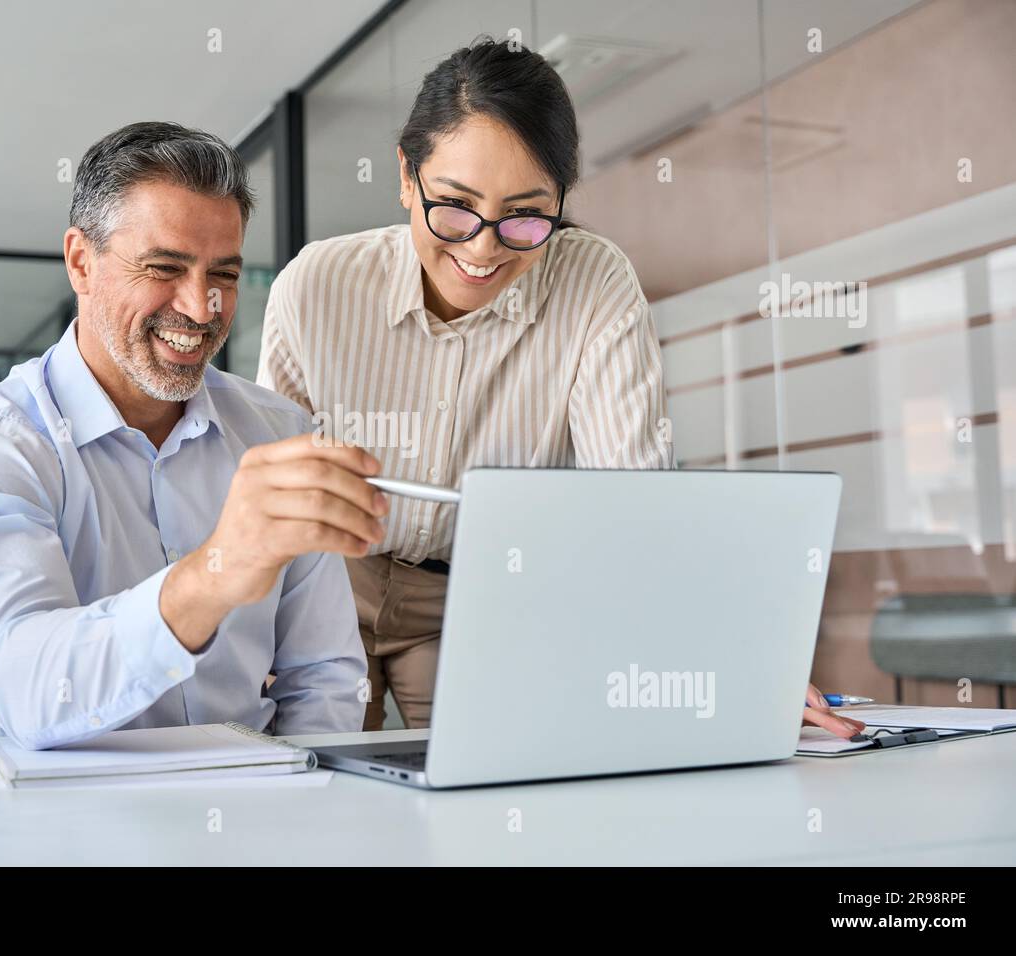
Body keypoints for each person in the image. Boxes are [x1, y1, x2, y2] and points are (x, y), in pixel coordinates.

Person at [258, 39, 865, 741]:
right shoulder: (316, 285)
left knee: (490, 797)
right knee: (318, 794)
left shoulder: (593, 282)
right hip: (329, 587)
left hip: (474, 590)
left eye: (524, 215)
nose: (483, 249)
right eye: (454, 207)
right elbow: (278, 490)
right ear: (406, 174)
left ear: (561, 200)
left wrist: (728, 654)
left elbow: (632, 494)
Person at [0, 122, 387, 751]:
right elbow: (26, 689)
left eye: (224, 273)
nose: (200, 307)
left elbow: (325, 677)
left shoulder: (278, 433)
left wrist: (294, 807)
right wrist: (211, 577)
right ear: (82, 262)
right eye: (165, 268)